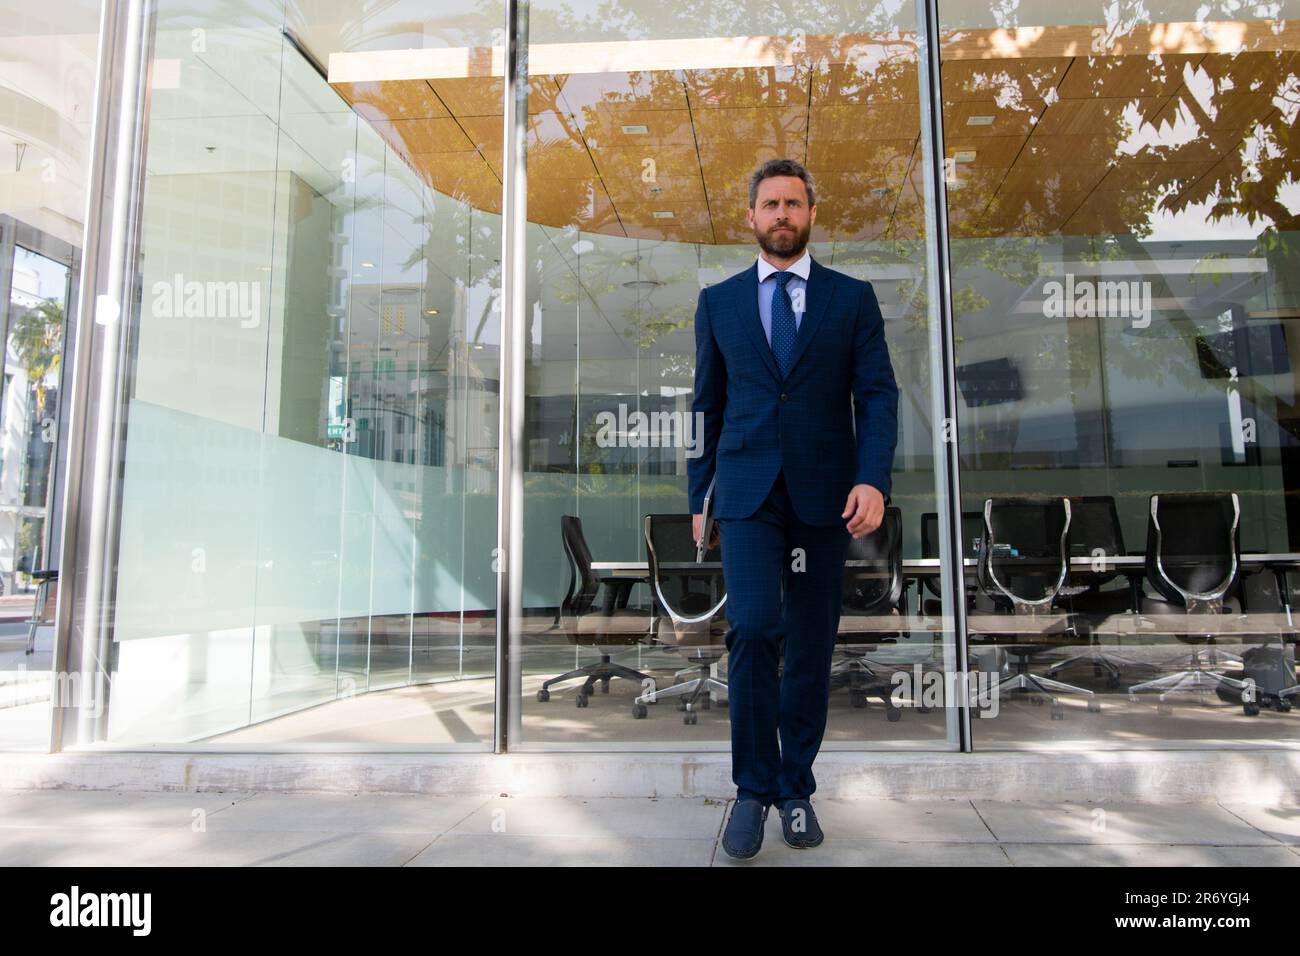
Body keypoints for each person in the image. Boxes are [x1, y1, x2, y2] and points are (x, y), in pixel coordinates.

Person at [688, 157, 899, 859]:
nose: (782, 214)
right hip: (747, 495)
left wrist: (872, 479)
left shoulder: (852, 298)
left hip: (823, 496)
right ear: (750, 217)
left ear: (811, 215)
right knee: (751, 628)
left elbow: (876, 396)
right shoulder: (717, 303)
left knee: (809, 640)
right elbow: (705, 408)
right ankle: (751, 791)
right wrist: (699, 497)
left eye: (794, 204)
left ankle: (795, 789)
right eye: (770, 204)